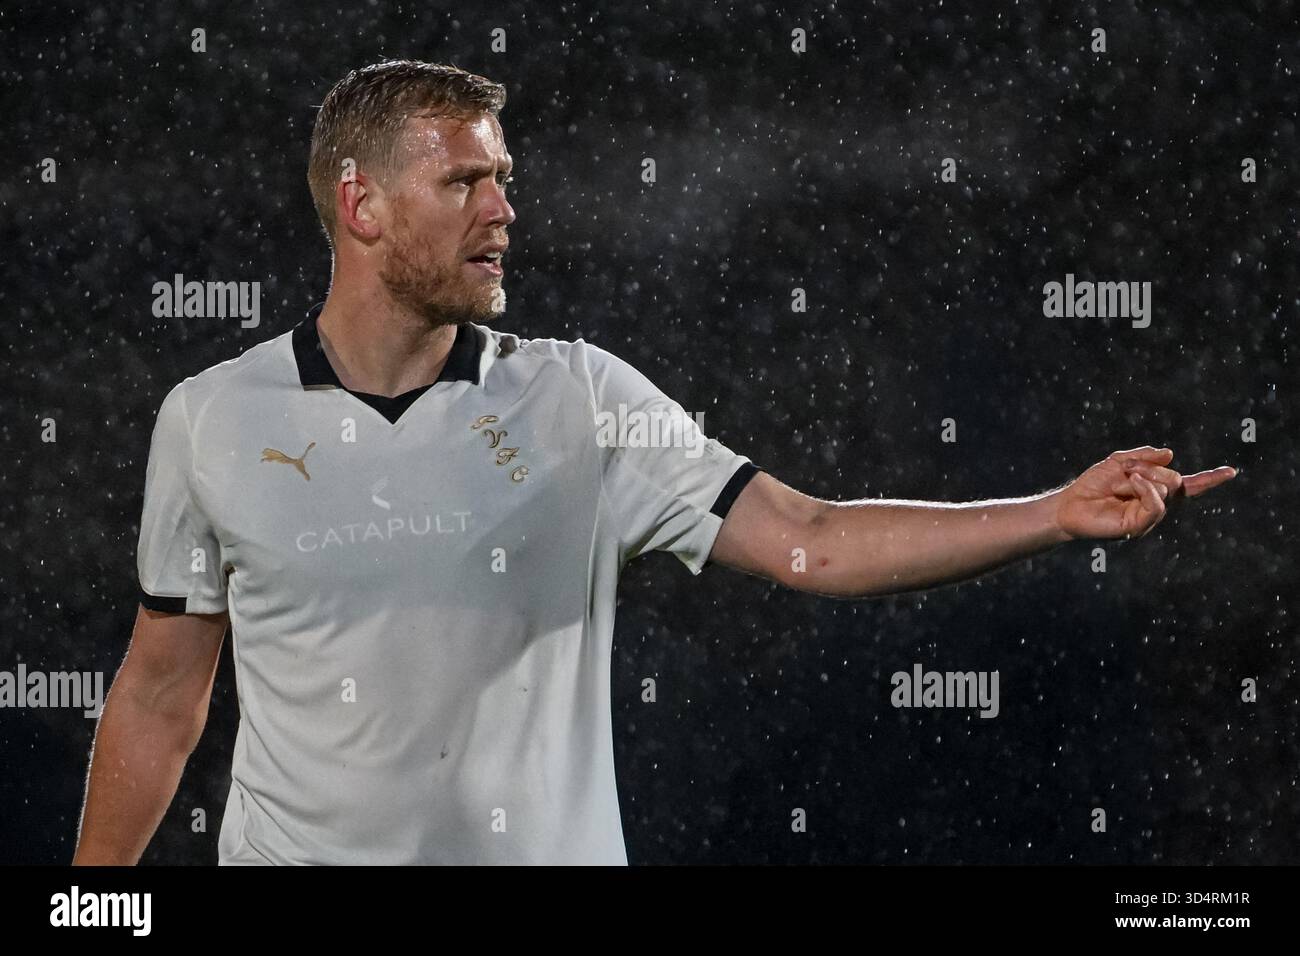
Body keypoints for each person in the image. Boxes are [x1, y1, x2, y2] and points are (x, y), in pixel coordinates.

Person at [73, 60, 1237, 865]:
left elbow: (810, 535)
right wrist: (91, 904)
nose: (504, 209)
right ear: (361, 203)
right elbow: (162, 690)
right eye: (466, 181)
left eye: (506, 177)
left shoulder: (580, 395)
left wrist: (1048, 511)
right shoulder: (211, 418)